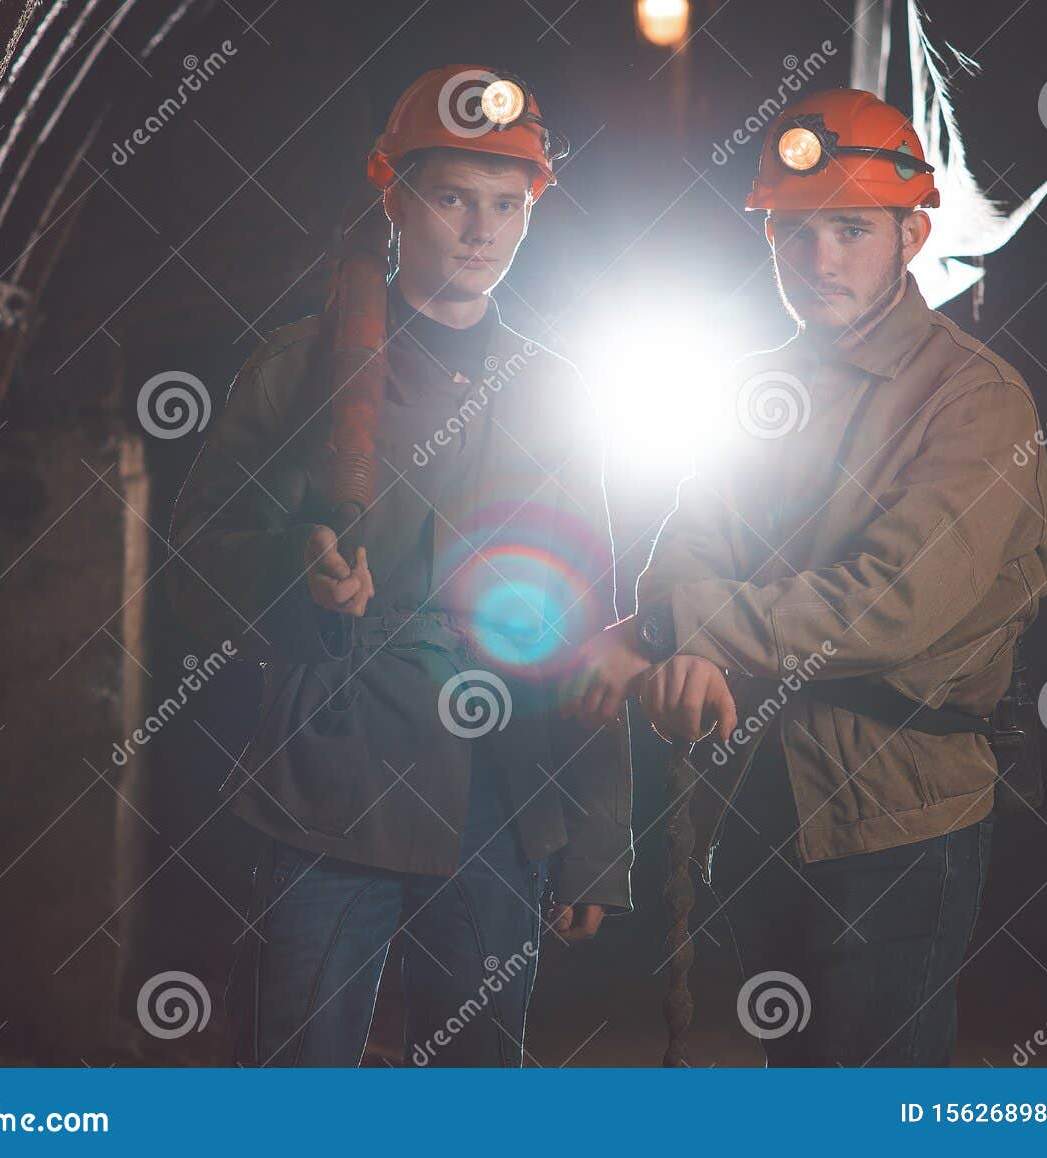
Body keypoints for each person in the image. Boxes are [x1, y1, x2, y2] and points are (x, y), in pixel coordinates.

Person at [564, 88, 1047, 1066]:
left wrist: (674, 630)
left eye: (850, 229)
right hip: (760, 795)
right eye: (793, 232)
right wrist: (689, 635)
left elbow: (889, 604)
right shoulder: (758, 386)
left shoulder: (975, 401)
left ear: (911, 235)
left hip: (897, 812)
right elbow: (690, 543)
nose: (817, 258)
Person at [167, 65, 632, 1067]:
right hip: (334, 794)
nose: (480, 228)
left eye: (506, 204)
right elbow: (187, 571)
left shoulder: (557, 393)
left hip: (499, 804)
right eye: (453, 196)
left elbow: (593, 625)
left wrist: (597, 839)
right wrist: (293, 570)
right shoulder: (300, 370)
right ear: (395, 197)